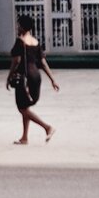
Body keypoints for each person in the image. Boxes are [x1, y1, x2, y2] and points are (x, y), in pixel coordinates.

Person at [6, 14, 59, 145]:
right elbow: (43, 63)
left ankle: (47, 128)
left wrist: (8, 77)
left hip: (24, 78)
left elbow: (16, 61)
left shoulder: (20, 41)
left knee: (22, 109)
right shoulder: (36, 42)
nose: (17, 27)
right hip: (36, 76)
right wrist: (53, 79)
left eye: (18, 25)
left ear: (23, 27)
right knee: (26, 106)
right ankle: (24, 137)